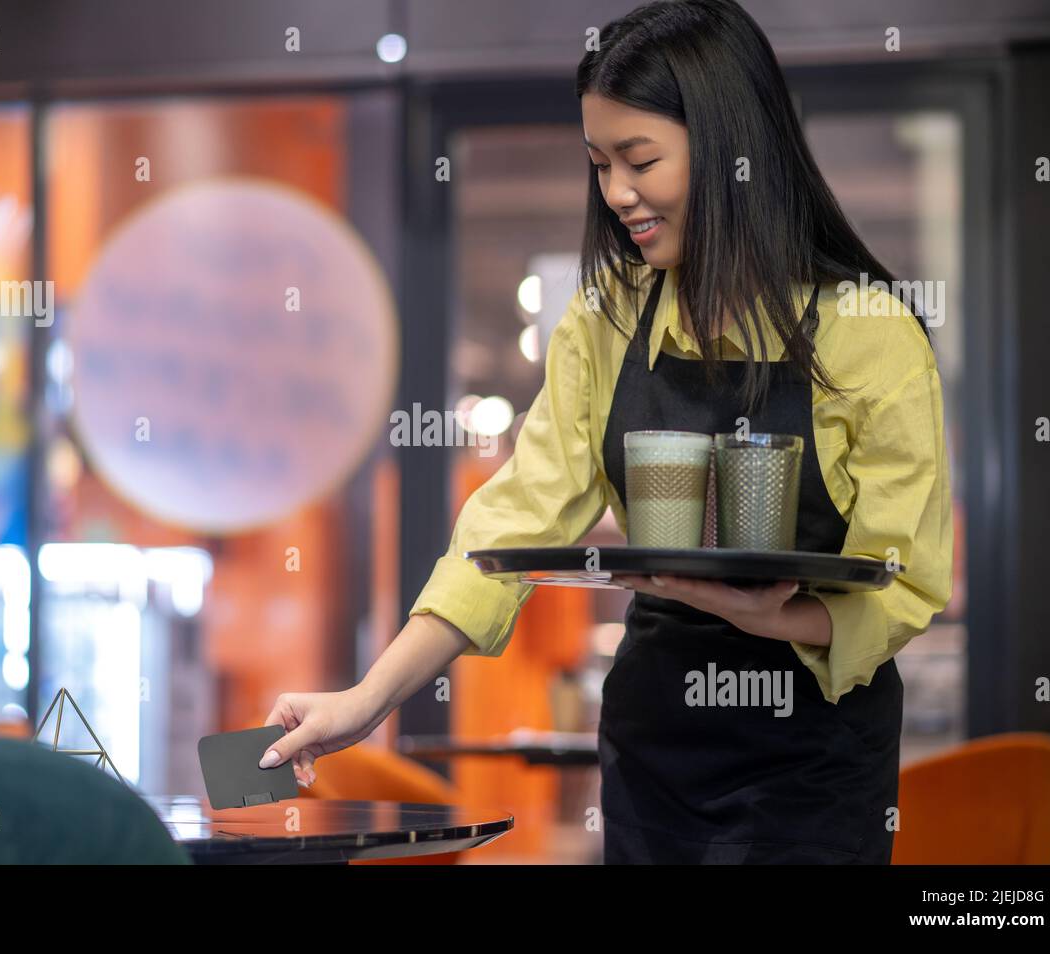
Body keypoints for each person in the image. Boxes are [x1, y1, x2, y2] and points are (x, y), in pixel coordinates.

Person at [258, 0, 953, 864]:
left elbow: (906, 582)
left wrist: (779, 620)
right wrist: (367, 699)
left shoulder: (867, 331)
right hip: (656, 749)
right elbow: (509, 527)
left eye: (640, 159)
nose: (616, 192)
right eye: (598, 163)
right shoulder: (605, 322)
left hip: (812, 762)